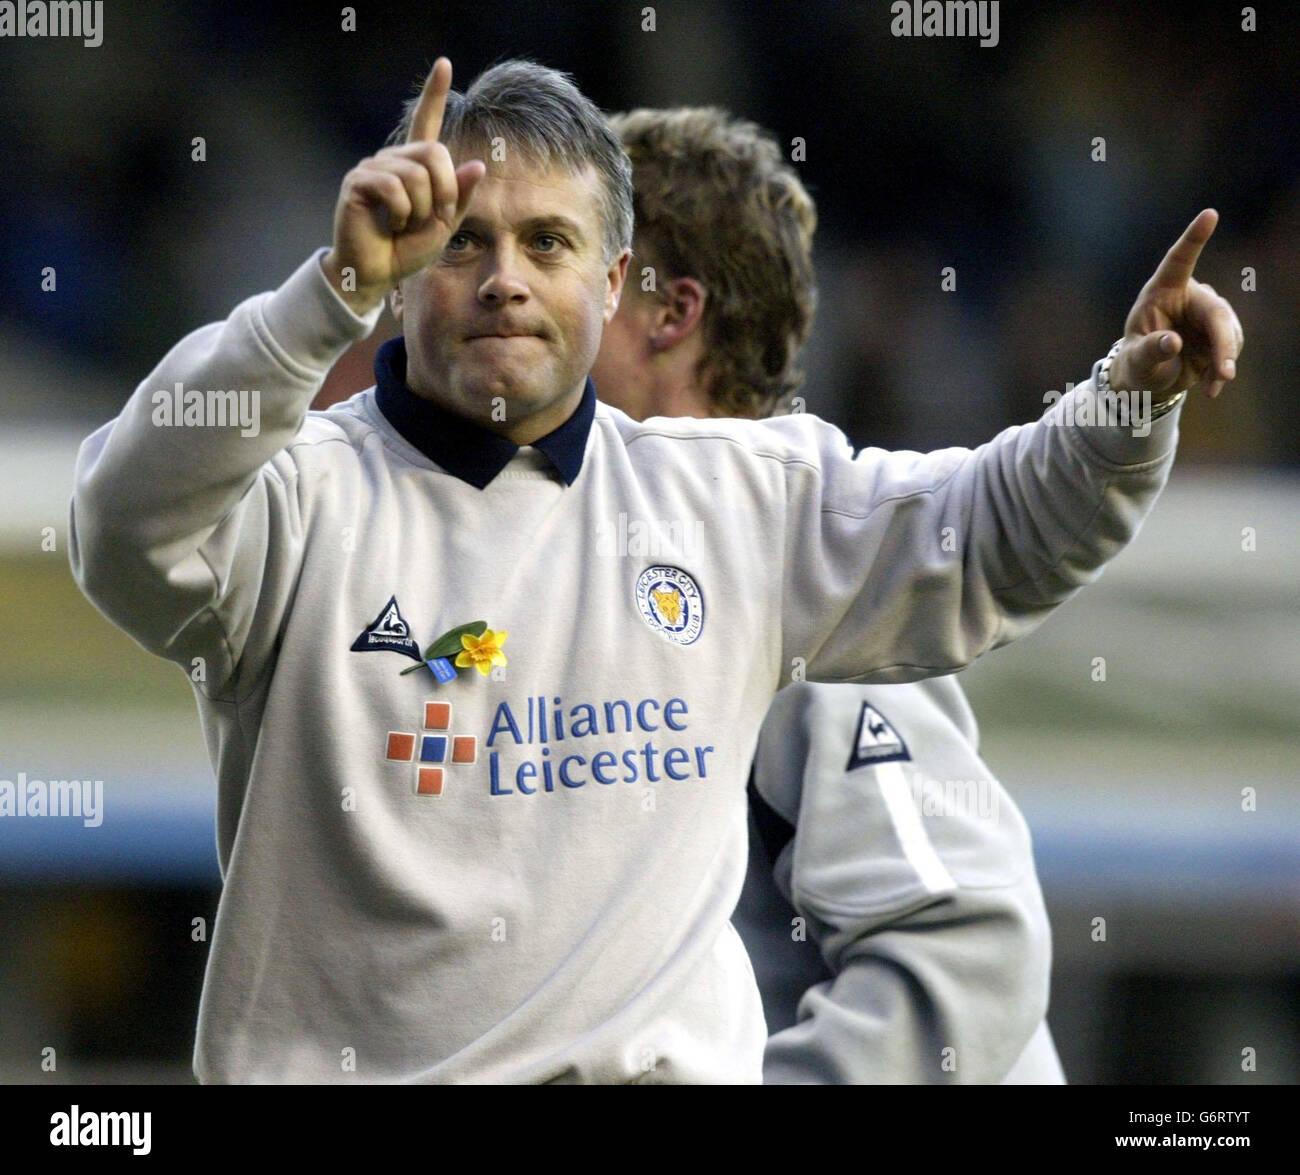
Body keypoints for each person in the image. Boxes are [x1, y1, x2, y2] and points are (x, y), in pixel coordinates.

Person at [68, 57, 1241, 1084]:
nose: (503, 278)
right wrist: (321, 297)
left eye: (548, 242)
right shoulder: (300, 499)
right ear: (404, 270)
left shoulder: (735, 499)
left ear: (616, 282)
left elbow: (990, 532)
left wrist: (1123, 402)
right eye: (461, 240)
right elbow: (122, 526)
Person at [590, 106, 1065, 1083]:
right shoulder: (623, 554)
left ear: (666, 315)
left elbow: (965, 950)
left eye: (571, 258)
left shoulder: (787, 567)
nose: (521, 297)